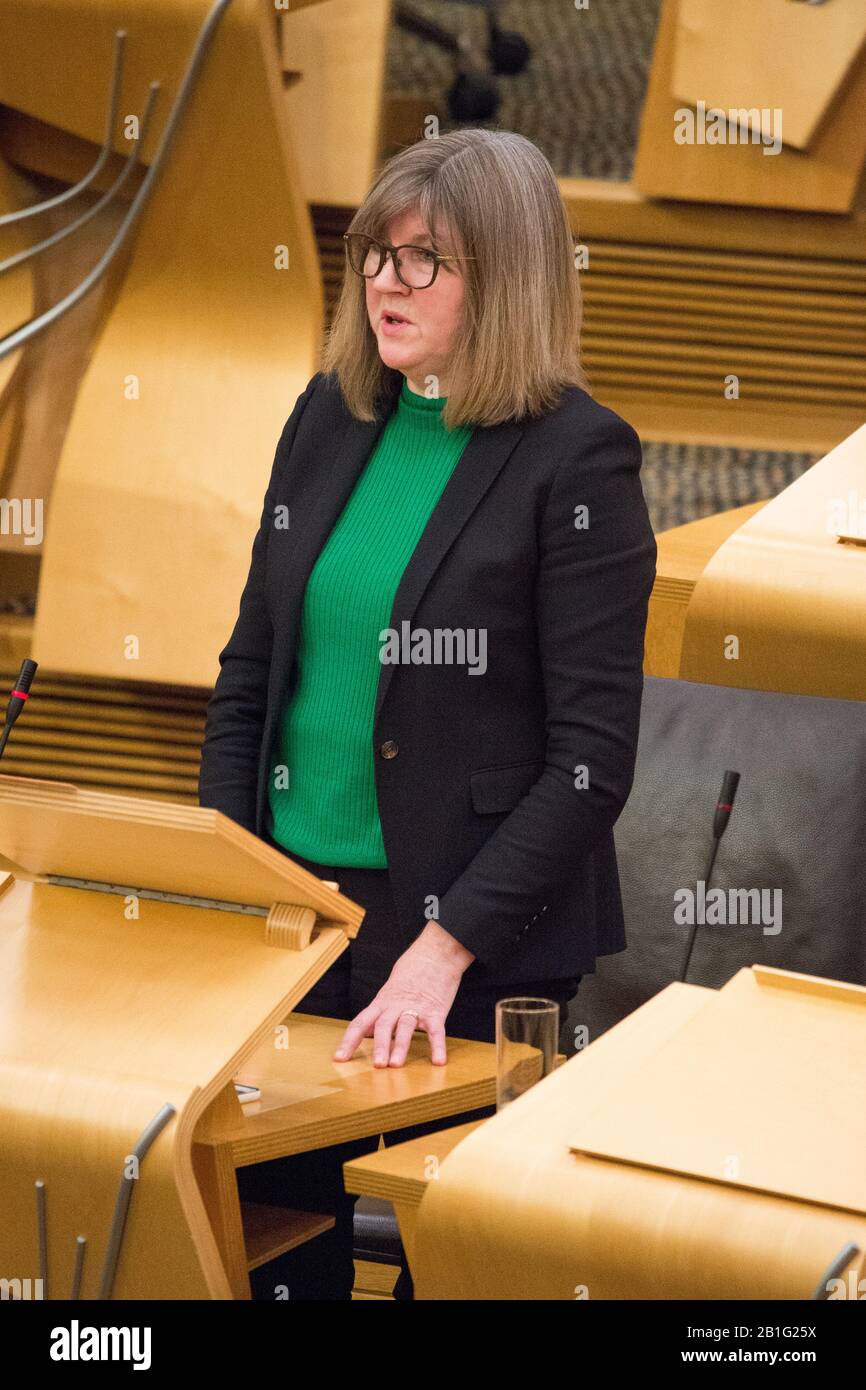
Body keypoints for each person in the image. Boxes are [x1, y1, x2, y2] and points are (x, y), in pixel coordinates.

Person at [198, 127, 657, 1300]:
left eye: (424, 262)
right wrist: (236, 885)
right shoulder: (327, 416)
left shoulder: (577, 461)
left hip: (470, 945)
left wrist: (440, 951)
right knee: (265, 1255)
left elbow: (591, 761)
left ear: (502, 278)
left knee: (440, 1270)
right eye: (373, 255)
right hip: (302, 924)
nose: (385, 284)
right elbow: (251, 674)